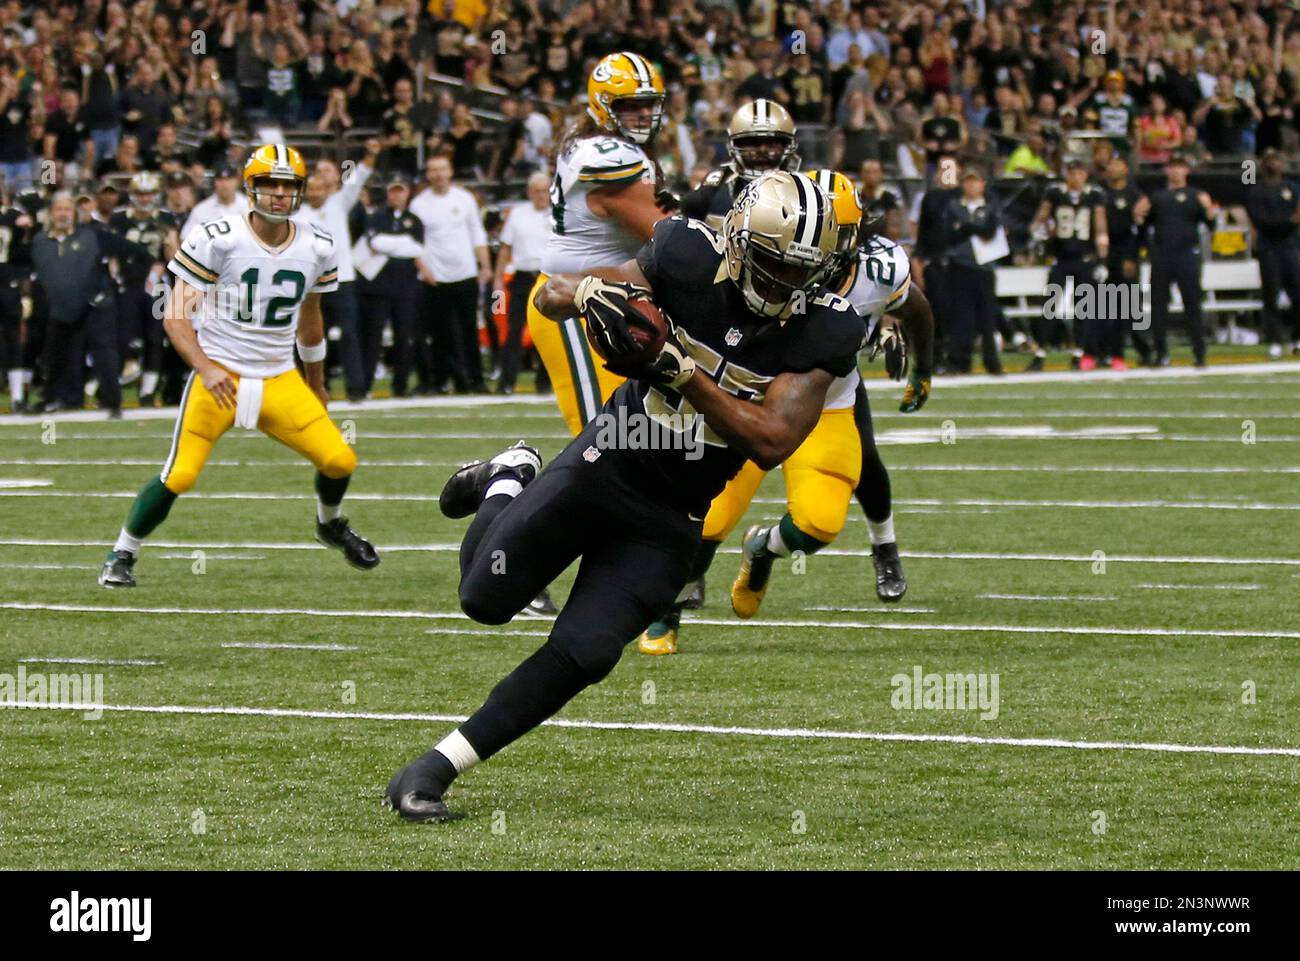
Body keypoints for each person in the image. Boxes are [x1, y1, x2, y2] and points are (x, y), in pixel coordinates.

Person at [385, 171, 863, 822]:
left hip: (672, 515)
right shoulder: (685, 252)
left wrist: (682, 370)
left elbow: (772, 438)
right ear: (740, 240)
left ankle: (432, 770)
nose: (782, 283)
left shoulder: (828, 330)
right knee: (483, 598)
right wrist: (579, 295)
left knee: (586, 652)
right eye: (773, 263)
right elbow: (594, 294)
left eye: (798, 271)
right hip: (606, 460)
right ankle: (508, 473)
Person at [638, 170, 934, 655]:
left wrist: (920, 366)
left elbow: (915, 310)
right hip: (747, 397)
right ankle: (665, 609)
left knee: (820, 521)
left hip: (826, 407)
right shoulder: (753, 257)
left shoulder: (878, 270)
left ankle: (764, 549)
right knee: (707, 521)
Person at [98, 144, 379, 589]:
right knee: (180, 475)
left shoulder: (317, 244)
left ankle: (330, 524)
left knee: (339, 459)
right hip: (221, 374)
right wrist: (207, 369)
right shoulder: (217, 237)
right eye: (270, 185)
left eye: (288, 186)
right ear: (252, 188)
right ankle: (121, 552)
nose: (279, 195)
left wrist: (317, 384)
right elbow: (175, 316)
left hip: (278, 376)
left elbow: (310, 321)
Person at [526, 52, 673, 439]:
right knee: (607, 437)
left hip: (614, 297)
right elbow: (669, 237)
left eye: (649, 105)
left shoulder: (600, 144)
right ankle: (505, 487)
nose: (643, 115)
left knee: (641, 436)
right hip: (572, 301)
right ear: (604, 106)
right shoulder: (606, 157)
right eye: (630, 105)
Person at [31, 192, 149, 417]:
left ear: (75, 214)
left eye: (67, 209)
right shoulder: (39, 241)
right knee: (56, 355)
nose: (63, 214)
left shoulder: (93, 235)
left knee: (104, 352)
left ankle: (113, 402)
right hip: (62, 308)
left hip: (96, 303)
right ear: (50, 213)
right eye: (59, 209)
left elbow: (133, 250)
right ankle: (55, 398)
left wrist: (122, 275)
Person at [296, 140, 380, 402]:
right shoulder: (298, 214)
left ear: (327, 189)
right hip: (311, 285)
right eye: (310, 189)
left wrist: (370, 155)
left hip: (342, 280)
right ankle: (310, 387)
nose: (315, 192)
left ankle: (356, 388)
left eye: (319, 187)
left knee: (349, 335)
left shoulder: (338, 204)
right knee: (309, 336)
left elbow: (357, 179)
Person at [408, 154, 492, 393]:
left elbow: (477, 232)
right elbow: (414, 242)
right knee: (439, 333)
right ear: (428, 174)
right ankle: (441, 380)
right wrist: (423, 270)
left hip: (465, 273)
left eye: (442, 168)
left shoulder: (464, 198)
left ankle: (476, 380)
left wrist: (484, 264)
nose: (438, 174)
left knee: (469, 330)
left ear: (450, 171)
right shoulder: (419, 204)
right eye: (433, 170)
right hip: (435, 277)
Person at [108, 172, 180, 405]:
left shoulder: (166, 218)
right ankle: (125, 372)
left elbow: (174, 257)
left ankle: (148, 391)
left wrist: (168, 241)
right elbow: (112, 254)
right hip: (128, 282)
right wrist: (114, 273)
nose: (146, 198)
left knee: (155, 337)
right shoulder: (120, 218)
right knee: (125, 333)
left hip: (157, 285)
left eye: (149, 193)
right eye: (141, 193)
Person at [1030, 159, 1109, 371]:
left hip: (1084, 259)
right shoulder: (1055, 193)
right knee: (1050, 305)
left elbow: (1101, 228)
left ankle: (1079, 352)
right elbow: (1040, 219)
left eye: (1080, 173)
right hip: (1061, 258)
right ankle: (1040, 352)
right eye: (1073, 173)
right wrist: (1040, 230)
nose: (1076, 177)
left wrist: (1102, 260)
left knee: (1083, 308)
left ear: (1086, 175)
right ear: (1067, 174)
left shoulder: (1094, 195)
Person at [680, 99, 801, 230]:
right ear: (735, 145)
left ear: (788, 146)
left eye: (772, 143)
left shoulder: (802, 189)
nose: (762, 150)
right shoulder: (718, 183)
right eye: (753, 142)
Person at [1144, 154, 1217, 367]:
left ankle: (1199, 352)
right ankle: (1161, 353)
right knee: (1159, 306)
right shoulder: (1157, 196)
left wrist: (1209, 212)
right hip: (1162, 255)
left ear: (1187, 170)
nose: (1176, 171)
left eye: (1180, 167)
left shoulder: (1196, 195)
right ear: (1167, 170)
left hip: (1186, 254)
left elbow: (1210, 225)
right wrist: (1139, 215)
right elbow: (1144, 225)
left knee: (1192, 304)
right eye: (1172, 167)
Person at [358, 173, 425, 396]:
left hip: (406, 287)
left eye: (401, 190)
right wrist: (402, 242)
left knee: (404, 336)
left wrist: (392, 244)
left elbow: (416, 249)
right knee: (372, 336)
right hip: (379, 287)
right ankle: (364, 385)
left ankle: (401, 385)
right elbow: (375, 242)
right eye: (393, 190)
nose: (397, 195)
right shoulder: (377, 216)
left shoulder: (414, 220)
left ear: (407, 193)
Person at [941, 167, 1005, 375]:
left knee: (987, 317)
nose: (971, 185)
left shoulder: (990, 207)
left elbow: (990, 231)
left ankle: (992, 361)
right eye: (968, 181)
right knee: (962, 317)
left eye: (975, 181)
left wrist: (967, 226)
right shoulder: (953, 206)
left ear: (983, 184)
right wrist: (973, 227)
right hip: (960, 266)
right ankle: (960, 360)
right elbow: (950, 234)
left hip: (984, 267)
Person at [493, 172, 550, 395]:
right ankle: (506, 382)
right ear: (529, 192)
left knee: (547, 332)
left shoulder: (559, 214)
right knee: (514, 331)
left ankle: (544, 382)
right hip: (523, 276)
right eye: (536, 191)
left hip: (548, 277)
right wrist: (498, 278)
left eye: (544, 190)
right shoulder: (517, 214)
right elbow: (505, 248)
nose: (541, 195)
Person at [1245, 149, 1300, 359]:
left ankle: (1297, 337)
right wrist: (1289, 221)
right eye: (1270, 161)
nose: (1274, 164)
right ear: (1263, 165)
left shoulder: (1292, 188)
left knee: (1297, 294)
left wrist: (1291, 223)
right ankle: (1275, 340)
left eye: (1278, 160)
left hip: (1290, 247)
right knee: (1271, 296)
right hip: (1269, 249)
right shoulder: (1256, 192)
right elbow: (1262, 222)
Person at [1101, 156, 1149, 369]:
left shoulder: (1134, 194)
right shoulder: (1101, 193)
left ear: (1126, 169)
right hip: (1105, 254)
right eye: (1110, 164)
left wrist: (1132, 256)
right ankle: (1109, 351)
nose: (1112, 168)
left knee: (1129, 307)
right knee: (1104, 306)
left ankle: (1143, 348)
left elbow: (1140, 230)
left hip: (1125, 253)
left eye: (1117, 164)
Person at [183, 164, 245, 237]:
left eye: (228, 179)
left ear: (237, 181)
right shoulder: (201, 210)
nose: (224, 185)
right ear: (214, 183)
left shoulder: (249, 206)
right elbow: (186, 237)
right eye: (220, 180)